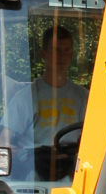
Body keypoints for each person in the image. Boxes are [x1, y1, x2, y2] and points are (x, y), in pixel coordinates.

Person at [33, 24, 86, 177]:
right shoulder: (28, 96)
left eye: (66, 50)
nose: (62, 56)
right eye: (56, 50)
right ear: (44, 53)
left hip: (74, 170)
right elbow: (5, 139)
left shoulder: (83, 96)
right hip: (36, 175)